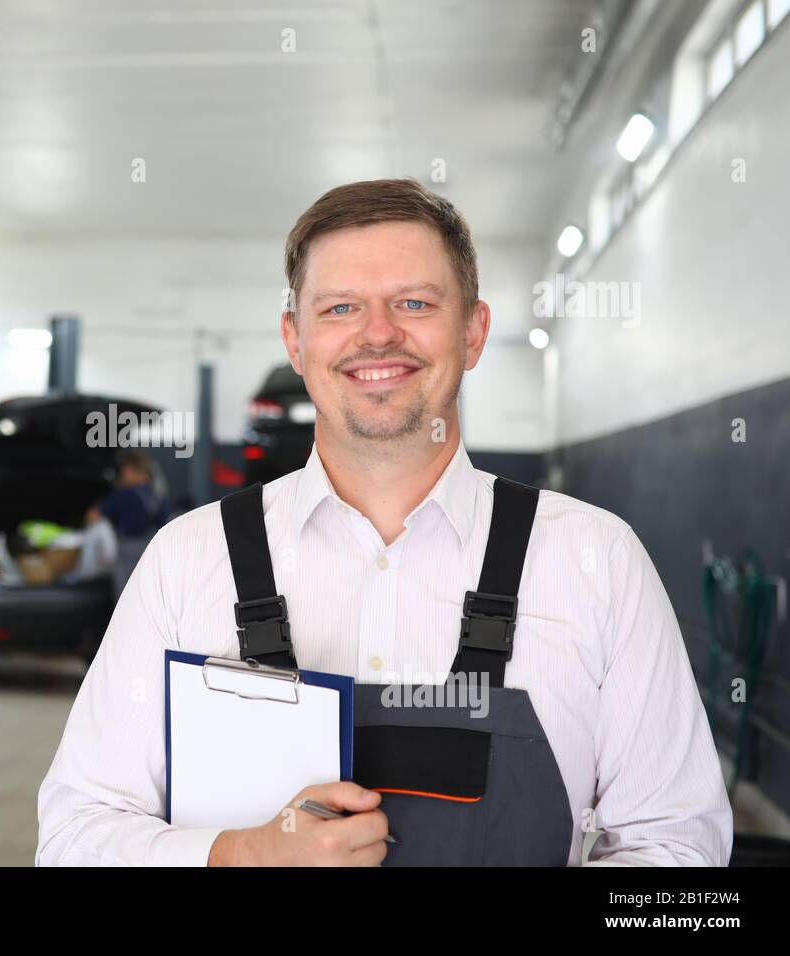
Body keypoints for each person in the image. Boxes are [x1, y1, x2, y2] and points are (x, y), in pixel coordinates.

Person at [36, 178, 732, 867]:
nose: (377, 334)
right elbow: (73, 837)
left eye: (414, 302)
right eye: (340, 307)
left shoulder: (596, 560)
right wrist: (240, 856)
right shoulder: (188, 560)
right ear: (296, 340)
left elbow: (675, 848)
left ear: (474, 330)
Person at [87, 450, 169, 602]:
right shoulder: (157, 496)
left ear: (130, 471)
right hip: (153, 548)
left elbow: (94, 516)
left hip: (128, 549)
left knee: (125, 595)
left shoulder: (124, 495)